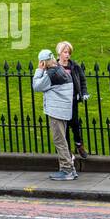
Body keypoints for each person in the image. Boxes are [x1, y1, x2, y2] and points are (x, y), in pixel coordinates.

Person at [32, 48, 76, 180]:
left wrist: (39, 70)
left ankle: (67, 170)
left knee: (59, 140)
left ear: (43, 62)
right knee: (62, 140)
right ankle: (70, 169)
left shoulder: (51, 74)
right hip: (63, 109)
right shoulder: (59, 69)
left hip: (57, 111)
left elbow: (37, 87)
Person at [57, 40, 90, 159]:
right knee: (63, 127)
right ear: (59, 53)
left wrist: (84, 92)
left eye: (69, 53)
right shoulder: (55, 67)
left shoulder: (75, 66)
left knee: (75, 123)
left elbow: (82, 80)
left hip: (73, 100)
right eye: (65, 52)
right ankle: (67, 151)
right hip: (60, 101)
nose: (67, 55)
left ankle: (79, 144)